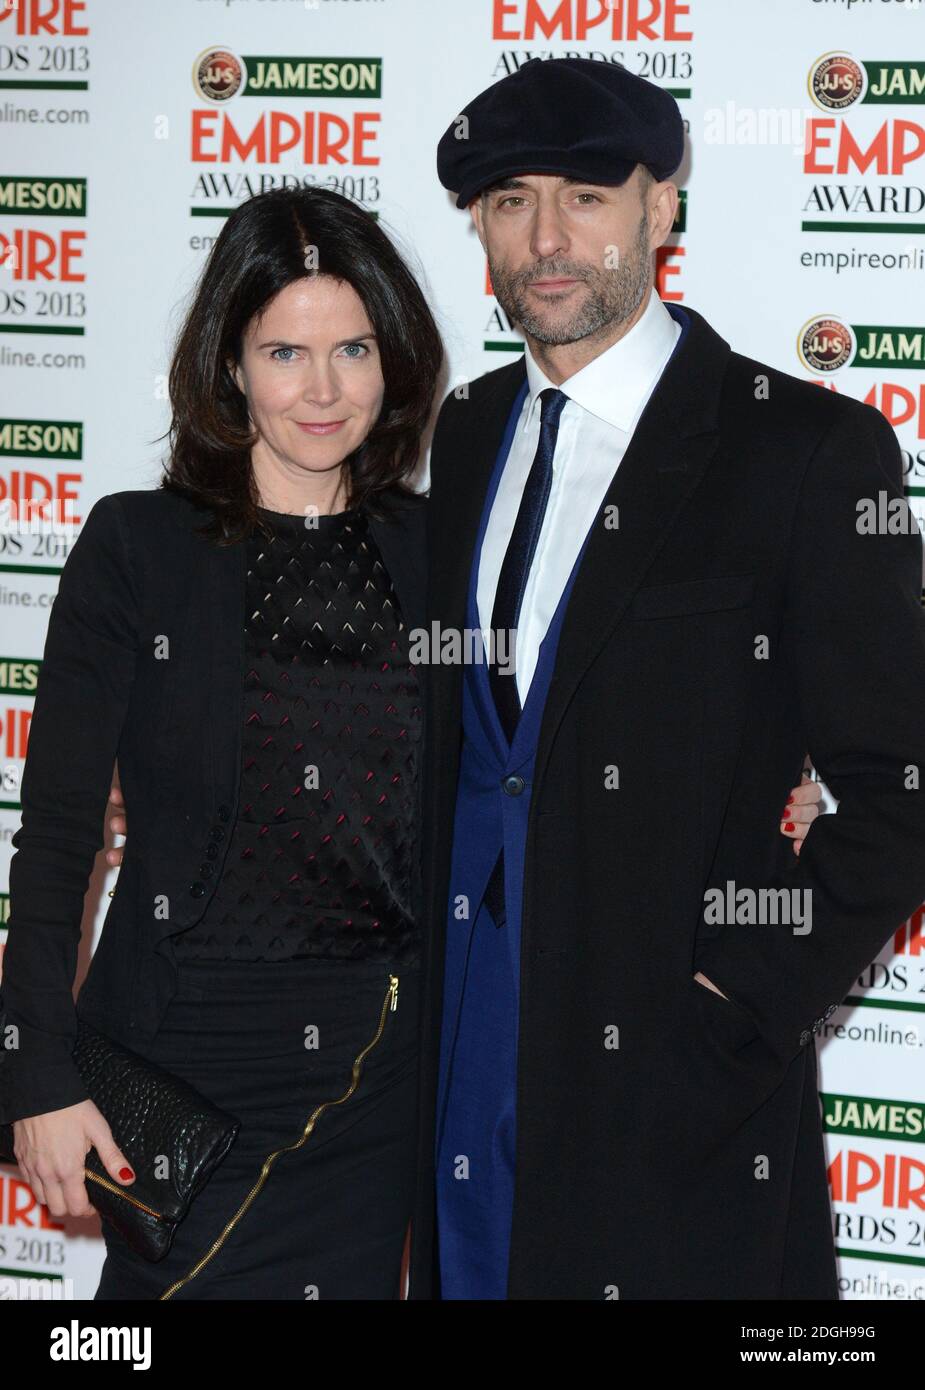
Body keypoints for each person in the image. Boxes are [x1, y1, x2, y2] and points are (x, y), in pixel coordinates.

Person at [408, 56, 925, 1300]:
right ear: (476, 223)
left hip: (675, 1078)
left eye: (587, 195)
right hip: (453, 1060)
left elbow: (901, 789)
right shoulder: (462, 431)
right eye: (511, 200)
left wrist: (735, 999)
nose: (545, 238)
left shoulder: (799, 447)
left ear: (660, 207)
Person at [0, 185, 443, 1299]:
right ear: (230, 366)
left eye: (352, 348)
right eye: (285, 351)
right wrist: (35, 1075)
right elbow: (56, 837)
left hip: (375, 1062)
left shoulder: (439, 549)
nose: (325, 388)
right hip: (180, 1057)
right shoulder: (139, 548)